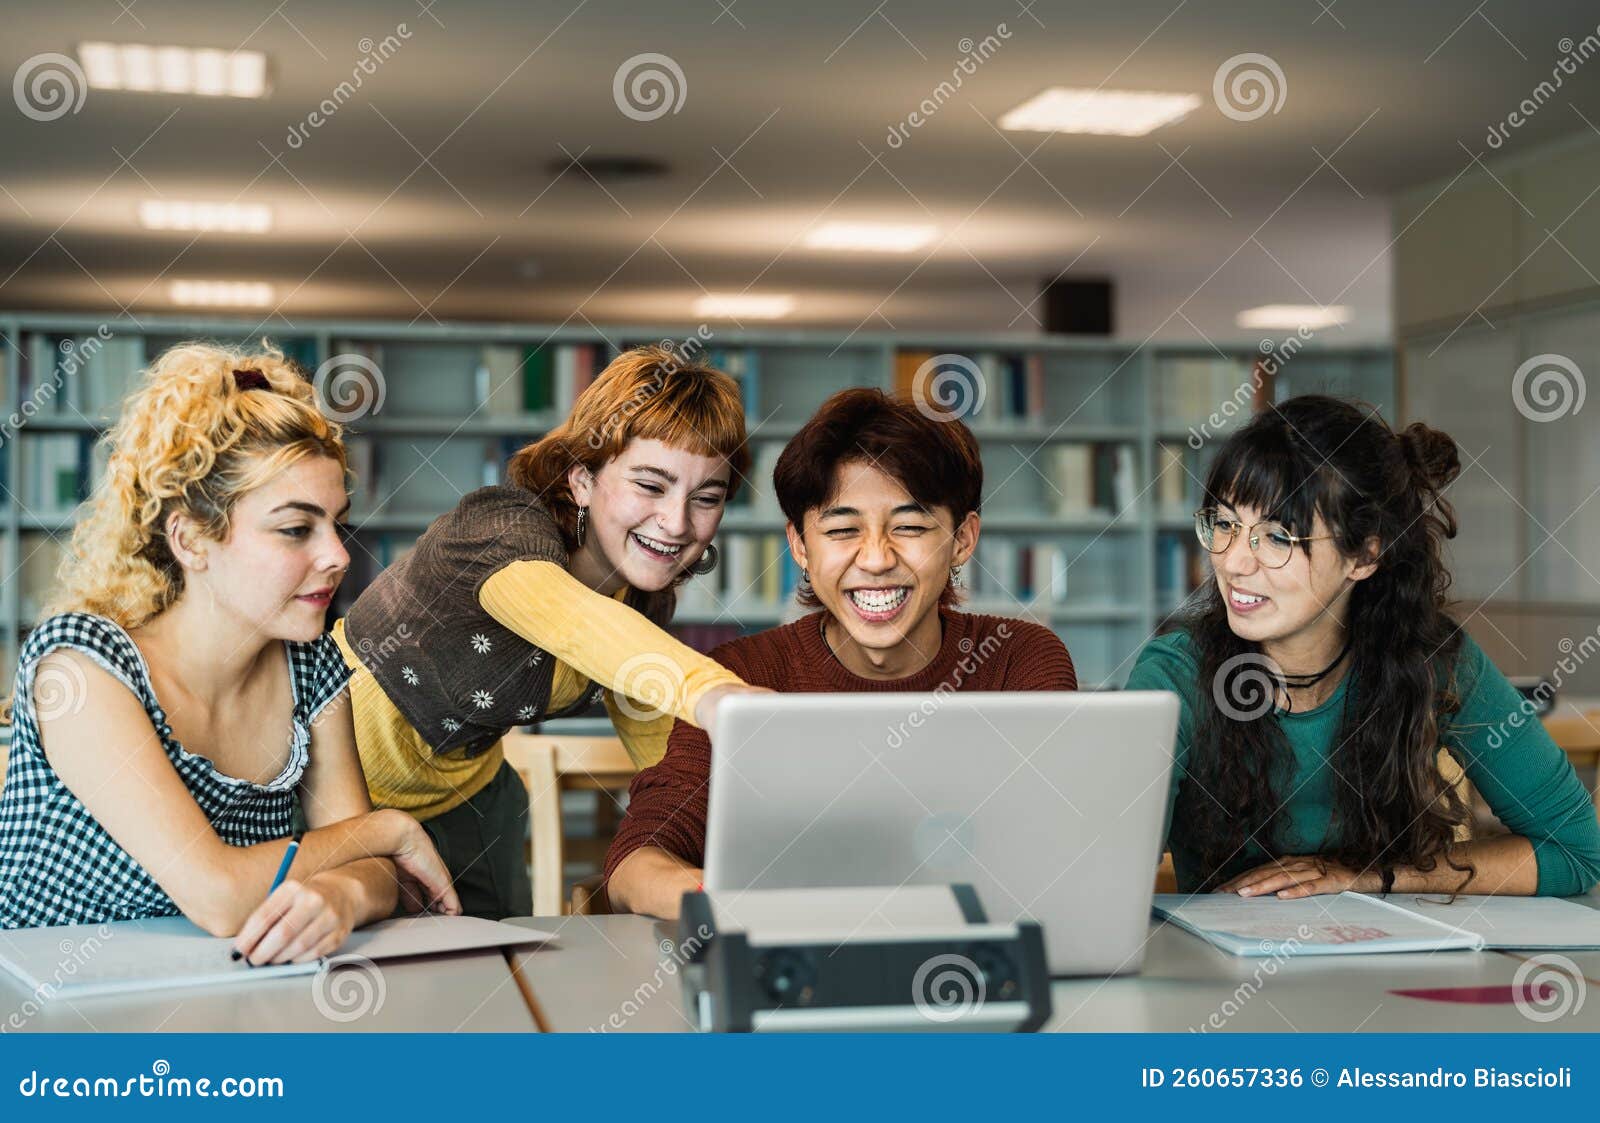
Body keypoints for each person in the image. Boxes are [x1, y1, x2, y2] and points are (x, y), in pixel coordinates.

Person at [0, 342, 459, 965]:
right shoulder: (82, 664)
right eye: (296, 529)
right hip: (57, 1016)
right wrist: (387, 829)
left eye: (336, 523)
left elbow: (373, 868)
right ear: (192, 540)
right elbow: (218, 896)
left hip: (224, 993)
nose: (338, 555)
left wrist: (343, 895)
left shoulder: (311, 666)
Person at [604, 387, 1079, 919]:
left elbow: (1058, 851)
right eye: (842, 529)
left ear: (964, 538)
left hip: (980, 956)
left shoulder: (1020, 660)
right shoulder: (741, 674)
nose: (875, 558)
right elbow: (637, 863)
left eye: (911, 526)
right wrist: (737, 908)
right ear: (801, 546)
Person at [336, 343, 767, 918]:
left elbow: (656, 741)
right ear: (582, 479)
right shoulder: (500, 527)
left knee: (498, 975)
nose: (677, 522)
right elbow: (572, 620)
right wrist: (719, 696)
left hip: (469, 796)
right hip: (325, 782)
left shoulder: (642, 597)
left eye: (706, 498)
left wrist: (761, 820)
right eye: (650, 485)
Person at [1128, 395, 1600, 898]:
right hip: (1226, 971)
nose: (1234, 562)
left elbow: (1576, 850)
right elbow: (1105, 873)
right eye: (1225, 525)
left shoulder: (1432, 661)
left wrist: (1368, 876)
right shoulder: (1174, 676)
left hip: (1390, 965)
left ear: (1364, 556)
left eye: (1278, 536)